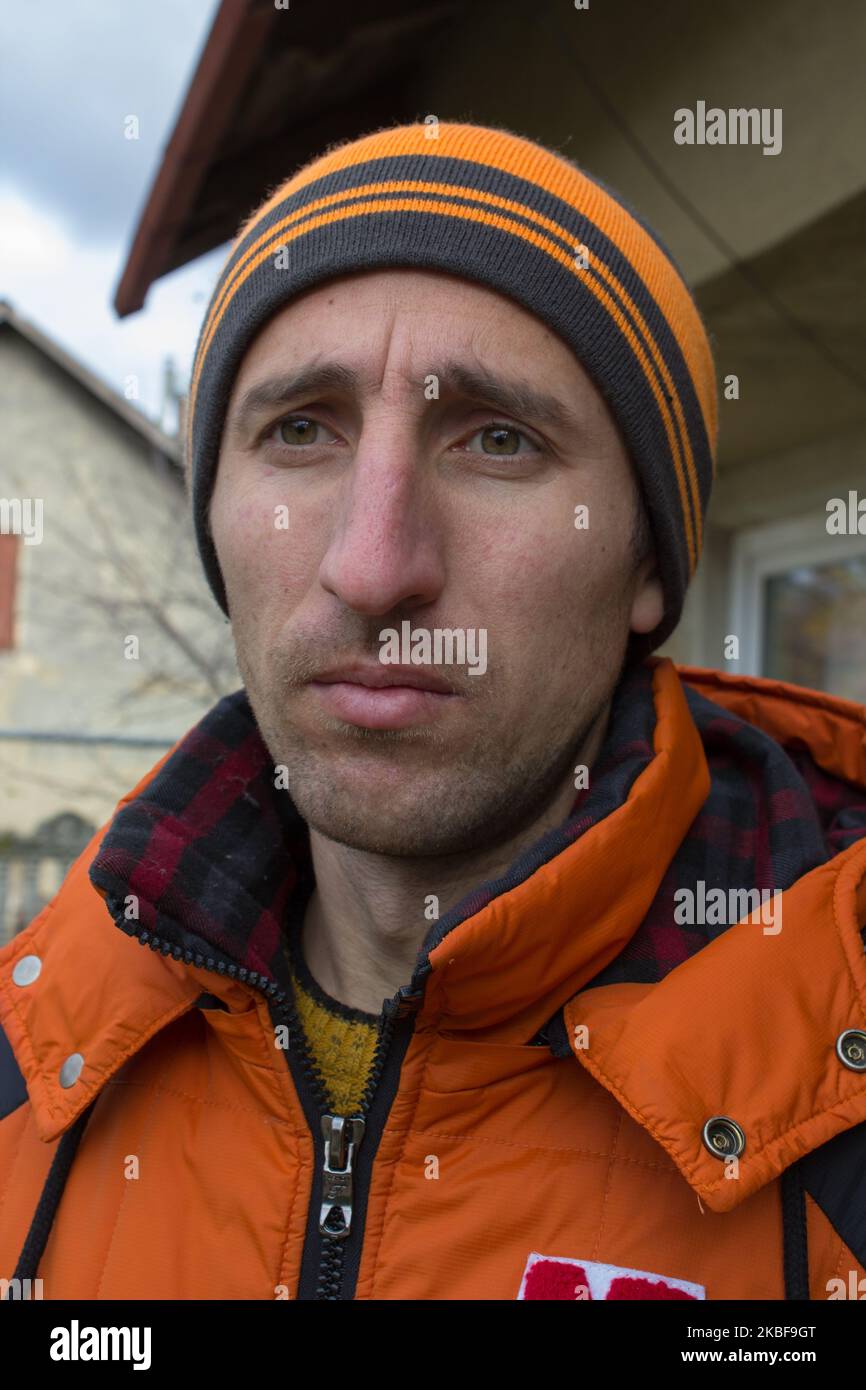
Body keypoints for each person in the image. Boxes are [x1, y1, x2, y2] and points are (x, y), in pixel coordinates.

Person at [1, 121, 865, 1303]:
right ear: (213, 521)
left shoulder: (835, 1099)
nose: (372, 564)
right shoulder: (37, 1060)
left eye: (495, 439)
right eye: (299, 429)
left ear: (647, 565)